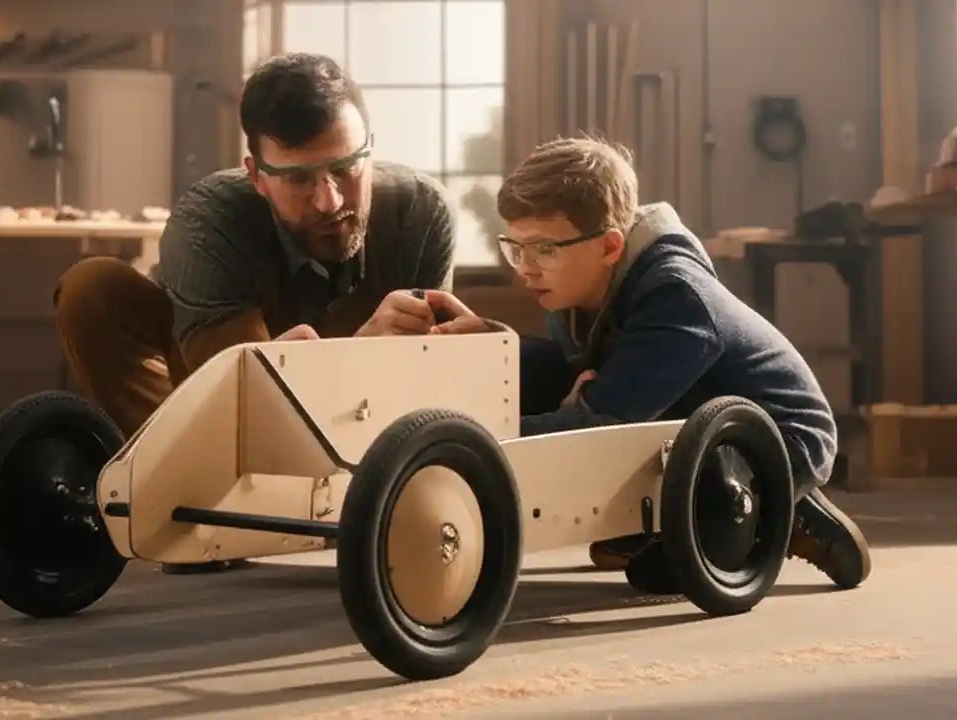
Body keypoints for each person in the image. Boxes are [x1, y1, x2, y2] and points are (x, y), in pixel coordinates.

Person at [54, 52, 457, 572]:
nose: (330, 201)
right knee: (92, 289)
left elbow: (430, 391)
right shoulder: (210, 221)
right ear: (257, 176)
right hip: (226, 423)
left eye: (345, 168)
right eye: (300, 180)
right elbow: (238, 406)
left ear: (370, 153)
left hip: (368, 444)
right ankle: (183, 499)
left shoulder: (422, 214)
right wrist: (362, 351)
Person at [425, 135, 871, 592]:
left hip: (778, 438)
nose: (526, 268)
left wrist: (464, 441)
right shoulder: (575, 284)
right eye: (515, 248)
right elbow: (574, 369)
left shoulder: (676, 294)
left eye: (544, 249)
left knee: (655, 573)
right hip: (676, 413)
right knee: (521, 369)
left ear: (610, 247)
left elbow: (600, 423)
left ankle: (779, 509)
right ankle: (702, 515)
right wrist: (490, 346)